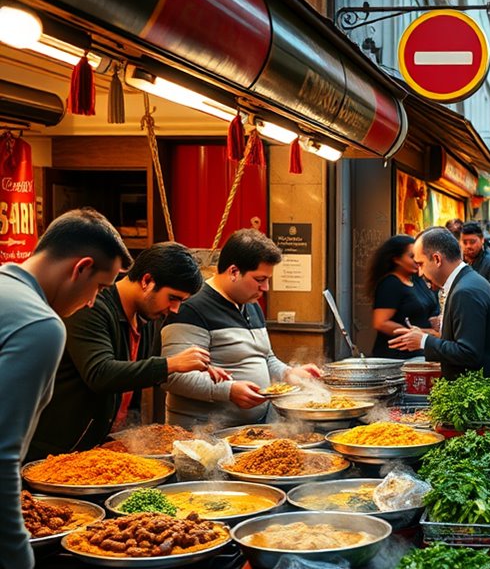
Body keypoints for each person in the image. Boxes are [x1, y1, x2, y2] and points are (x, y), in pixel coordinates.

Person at [0, 208, 130, 569]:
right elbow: (3, 454)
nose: (92, 302)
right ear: (81, 267)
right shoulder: (39, 324)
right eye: (100, 288)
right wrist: (16, 556)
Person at [28, 242, 222, 462]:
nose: (175, 309)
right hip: (53, 448)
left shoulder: (146, 317)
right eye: (173, 298)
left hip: (97, 446)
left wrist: (195, 365)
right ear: (147, 281)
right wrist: (172, 364)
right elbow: (100, 373)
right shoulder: (91, 306)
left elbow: (140, 370)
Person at [162, 229, 322, 428]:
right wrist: (229, 390)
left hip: (251, 430)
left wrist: (288, 373)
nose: (266, 288)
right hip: (203, 434)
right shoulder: (191, 307)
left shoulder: (251, 305)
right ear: (234, 272)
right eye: (259, 280)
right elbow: (173, 376)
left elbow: (266, 357)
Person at [389, 227, 490, 388]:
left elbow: (468, 353)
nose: (419, 272)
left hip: (483, 396)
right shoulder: (468, 282)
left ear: (437, 259)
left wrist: (424, 341)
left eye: (421, 264)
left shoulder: (466, 291)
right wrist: (425, 336)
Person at [368, 235, 439, 359]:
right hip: (399, 357)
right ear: (396, 259)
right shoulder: (390, 283)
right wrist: (416, 334)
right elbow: (381, 322)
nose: (416, 260)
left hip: (423, 351)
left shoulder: (418, 280)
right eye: (412, 256)